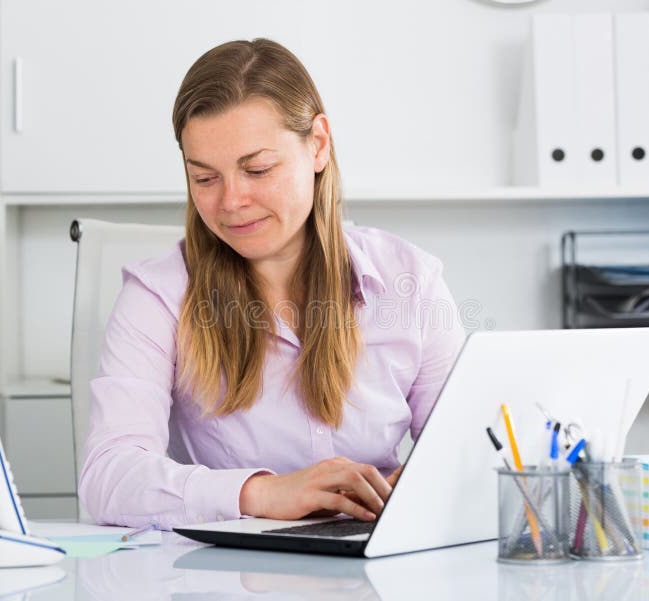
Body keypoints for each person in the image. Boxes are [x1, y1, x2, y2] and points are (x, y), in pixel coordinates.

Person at [78, 38, 465, 530]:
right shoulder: (158, 296)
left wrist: (433, 480)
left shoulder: (411, 283)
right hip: (220, 568)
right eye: (205, 178)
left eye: (257, 169)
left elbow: (470, 452)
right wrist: (260, 493)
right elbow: (109, 477)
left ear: (318, 145)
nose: (231, 201)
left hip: (373, 558)